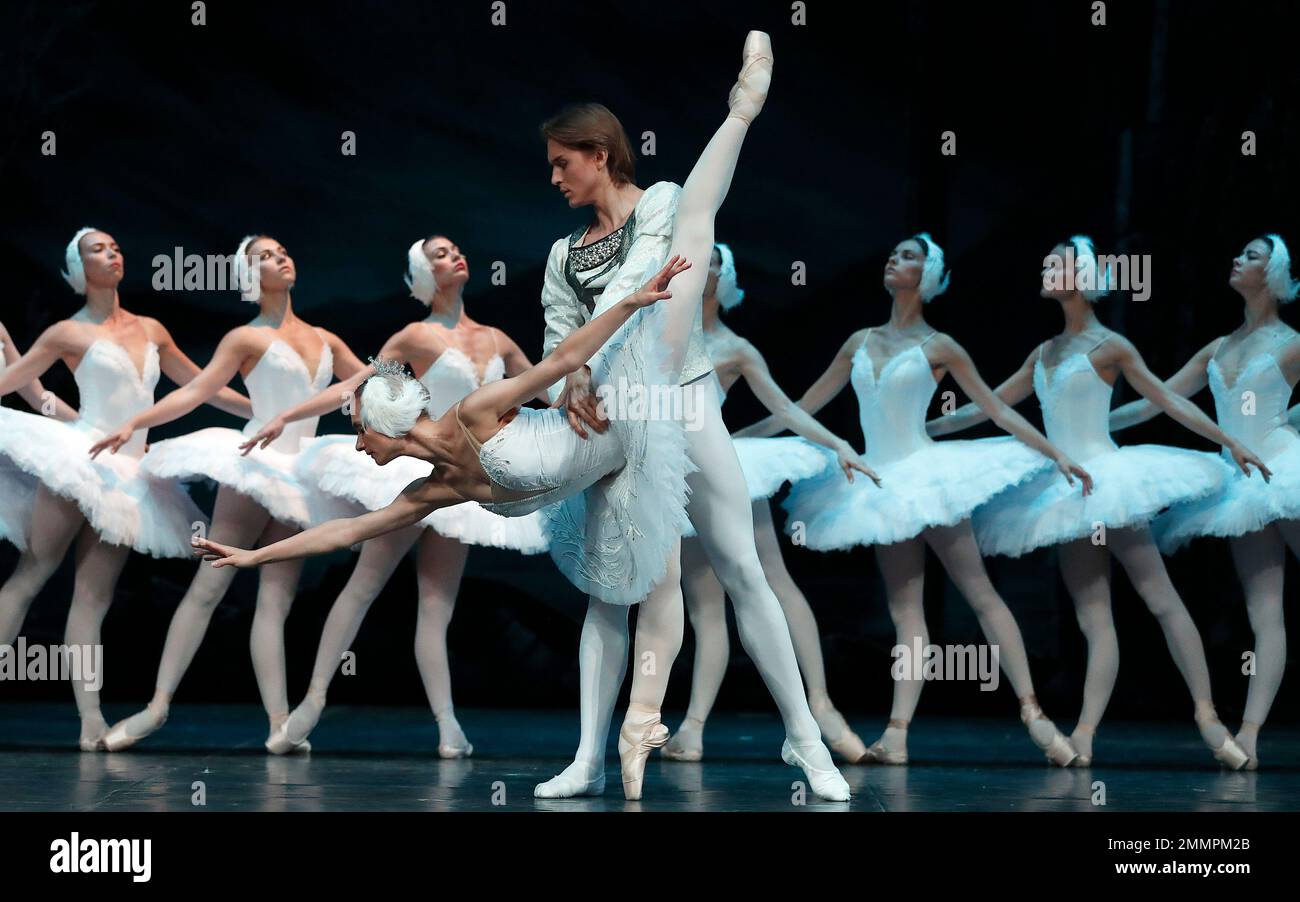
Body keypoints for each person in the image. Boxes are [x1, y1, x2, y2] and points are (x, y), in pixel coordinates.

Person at [934, 235, 1266, 767]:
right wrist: (923, 431)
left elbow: (1167, 401)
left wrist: (1231, 441)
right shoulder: (1042, 353)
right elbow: (989, 406)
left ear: (1080, 277)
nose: (1044, 269)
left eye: (1055, 264)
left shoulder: (1110, 345)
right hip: (1066, 494)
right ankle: (1085, 734)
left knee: (1160, 598)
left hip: (1109, 482)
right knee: (1093, 617)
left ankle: (1207, 715)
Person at [1110, 234, 1300, 769]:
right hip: (1241, 484)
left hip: (1286, 470)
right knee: (1265, 612)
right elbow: (1158, 401)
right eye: (1236, 252)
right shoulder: (1217, 347)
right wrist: (1087, 430)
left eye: (1251, 255)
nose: (1237, 258)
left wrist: (1292, 423)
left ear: (1274, 273)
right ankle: (1252, 735)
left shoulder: (1292, 342)